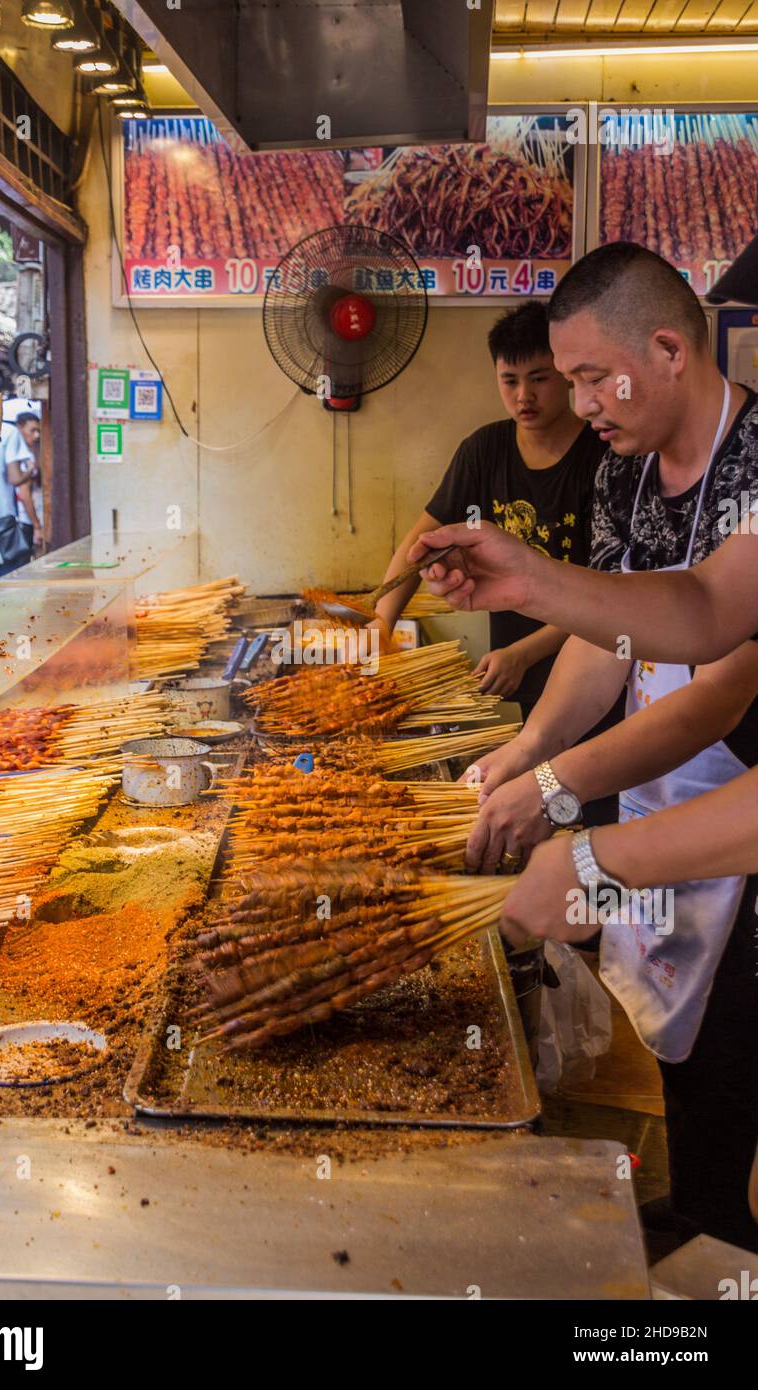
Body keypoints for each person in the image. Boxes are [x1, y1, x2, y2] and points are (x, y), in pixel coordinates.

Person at [408, 242, 758, 1252]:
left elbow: (709, 631)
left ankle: (721, 1235)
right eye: (560, 382)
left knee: (732, 1034)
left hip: (722, 799)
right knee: (679, 1038)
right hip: (656, 795)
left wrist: (569, 806)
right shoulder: (623, 475)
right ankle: (696, 1212)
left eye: (586, 378)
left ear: (665, 347)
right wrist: (528, 752)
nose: (576, 403)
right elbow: (616, 640)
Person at [368, 301, 608, 718]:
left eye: (539, 379)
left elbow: (608, 592)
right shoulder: (485, 450)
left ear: (567, 377)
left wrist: (524, 653)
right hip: (518, 672)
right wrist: (381, 623)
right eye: (509, 380)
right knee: (540, 770)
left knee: (577, 778)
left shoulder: (602, 458)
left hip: (594, 672)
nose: (523, 396)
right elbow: (418, 542)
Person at [0, 373, 35, 580]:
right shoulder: (8, 432)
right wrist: (31, 469)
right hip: (2, 523)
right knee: (6, 587)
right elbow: (15, 478)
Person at [13, 411, 43, 553]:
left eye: (38, 431)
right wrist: (37, 526)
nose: (37, 435)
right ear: (19, 428)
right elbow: (25, 495)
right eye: (32, 431)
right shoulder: (23, 459)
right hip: (25, 522)